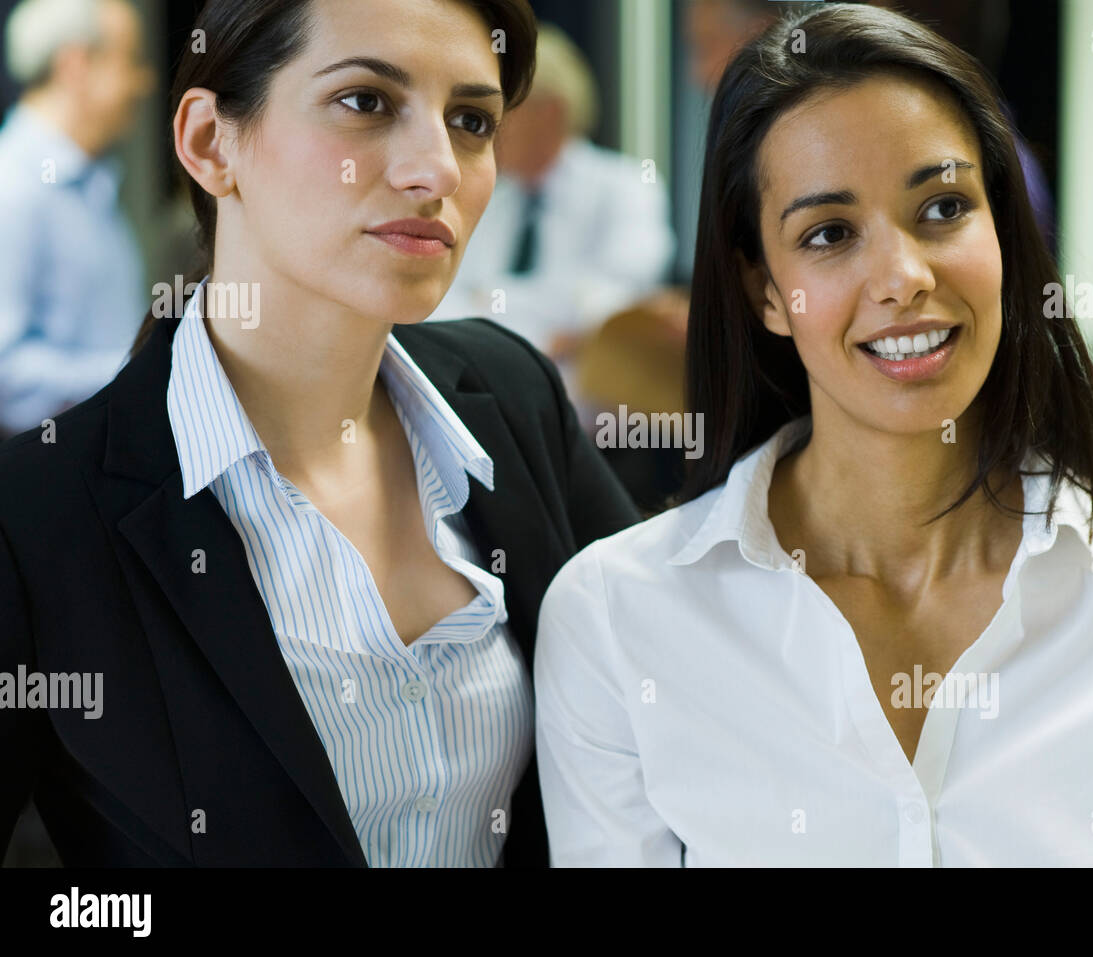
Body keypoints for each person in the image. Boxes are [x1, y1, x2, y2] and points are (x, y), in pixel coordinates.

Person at [533, 3, 1093, 866]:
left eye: (942, 208)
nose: (902, 276)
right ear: (765, 292)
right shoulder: (616, 617)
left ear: (1004, 232)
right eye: (828, 234)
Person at [0, 0, 640, 868]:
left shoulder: (512, 396)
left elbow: (665, 717)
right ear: (209, 143)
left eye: (471, 120)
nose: (438, 168)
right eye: (367, 102)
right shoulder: (36, 516)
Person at [429, 23, 674, 362]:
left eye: (505, 108)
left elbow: (614, 300)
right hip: (486, 375)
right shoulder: (493, 196)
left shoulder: (626, 185)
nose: (492, 126)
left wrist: (497, 303)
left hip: (589, 399)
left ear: (550, 112)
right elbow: (449, 296)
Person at [0, 0, 154, 437]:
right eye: (130, 60)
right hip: (49, 481)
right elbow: (4, 374)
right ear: (76, 65)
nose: (143, 82)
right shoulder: (12, 186)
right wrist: (142, 375)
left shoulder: (92, 184)